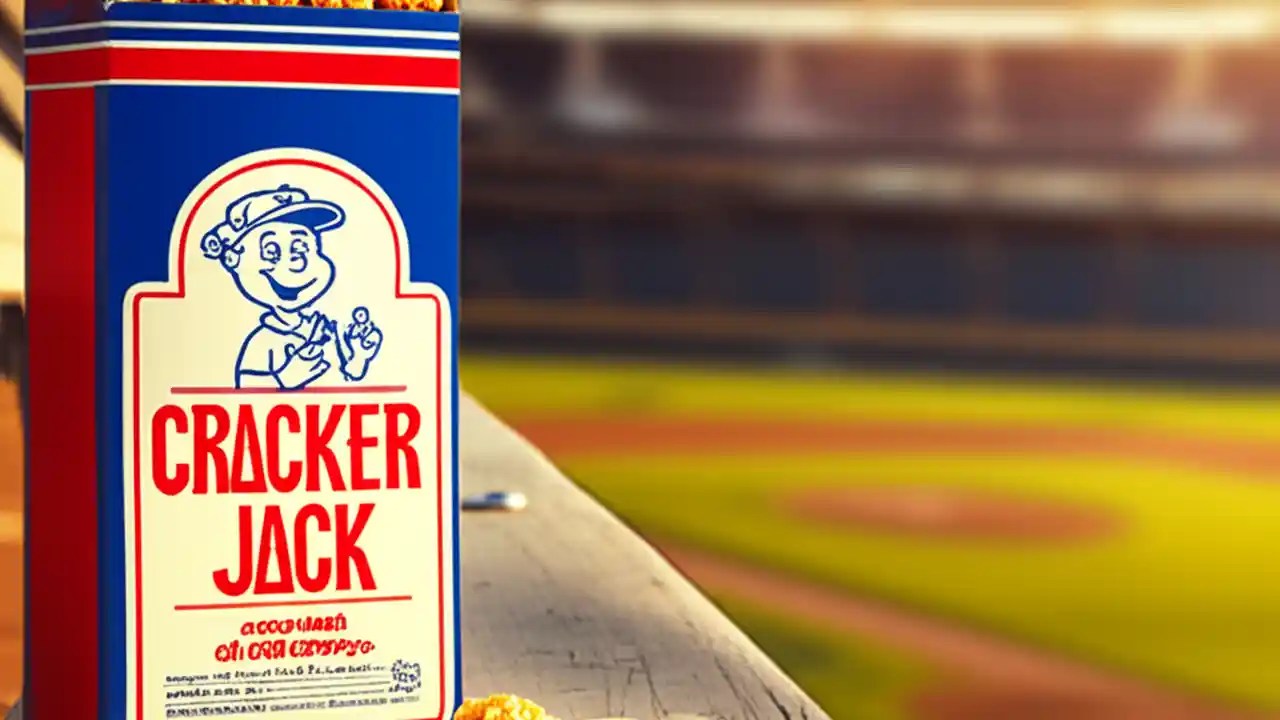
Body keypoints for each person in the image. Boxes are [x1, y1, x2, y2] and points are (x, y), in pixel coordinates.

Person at [200, 185, 383, 390]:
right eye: (271, 252)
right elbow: (244, 395)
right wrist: (282, 380)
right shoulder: (263, 342)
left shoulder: (326, 330)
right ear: (236, 261)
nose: (297, 264)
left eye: (301, 248)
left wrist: (359, 358)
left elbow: (346, 378)